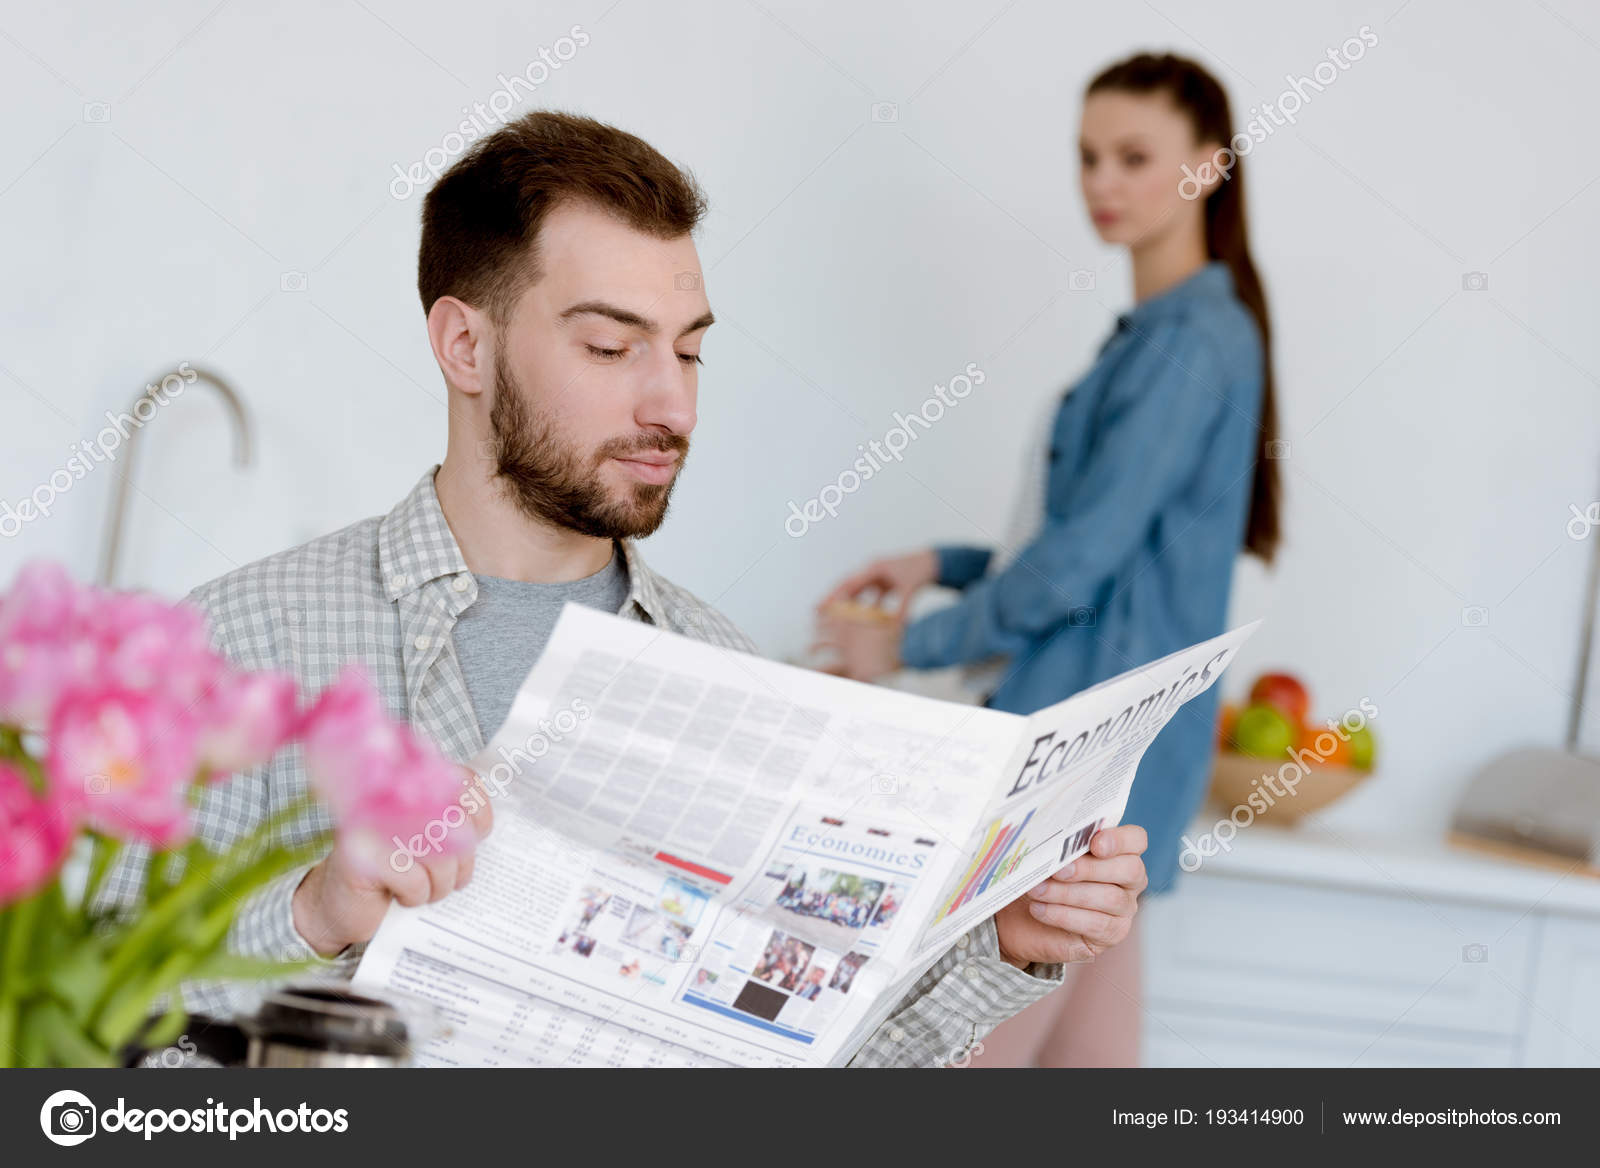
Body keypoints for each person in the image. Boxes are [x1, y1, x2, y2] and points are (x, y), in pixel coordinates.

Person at [98, 110, 1152, 1068]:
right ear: (464, 344)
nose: (671, 405)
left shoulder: (732, 673)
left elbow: (819, 1063)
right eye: (610, 346)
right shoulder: (234, 645)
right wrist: (312, 914)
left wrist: (1008, 949)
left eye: (688, 353)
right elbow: (80, 1042)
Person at [815, 52, 1281, 1066]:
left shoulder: (1188, 345)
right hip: (1124, 756)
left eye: (1131, 157)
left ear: (1206, 169)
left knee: (969, 1056)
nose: (1100, 184)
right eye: (1086, 157)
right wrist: (939, 557)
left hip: (1090, 758)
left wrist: (903, 644)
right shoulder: (1173, 336)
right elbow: (1089, 551)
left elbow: (1073, 570)